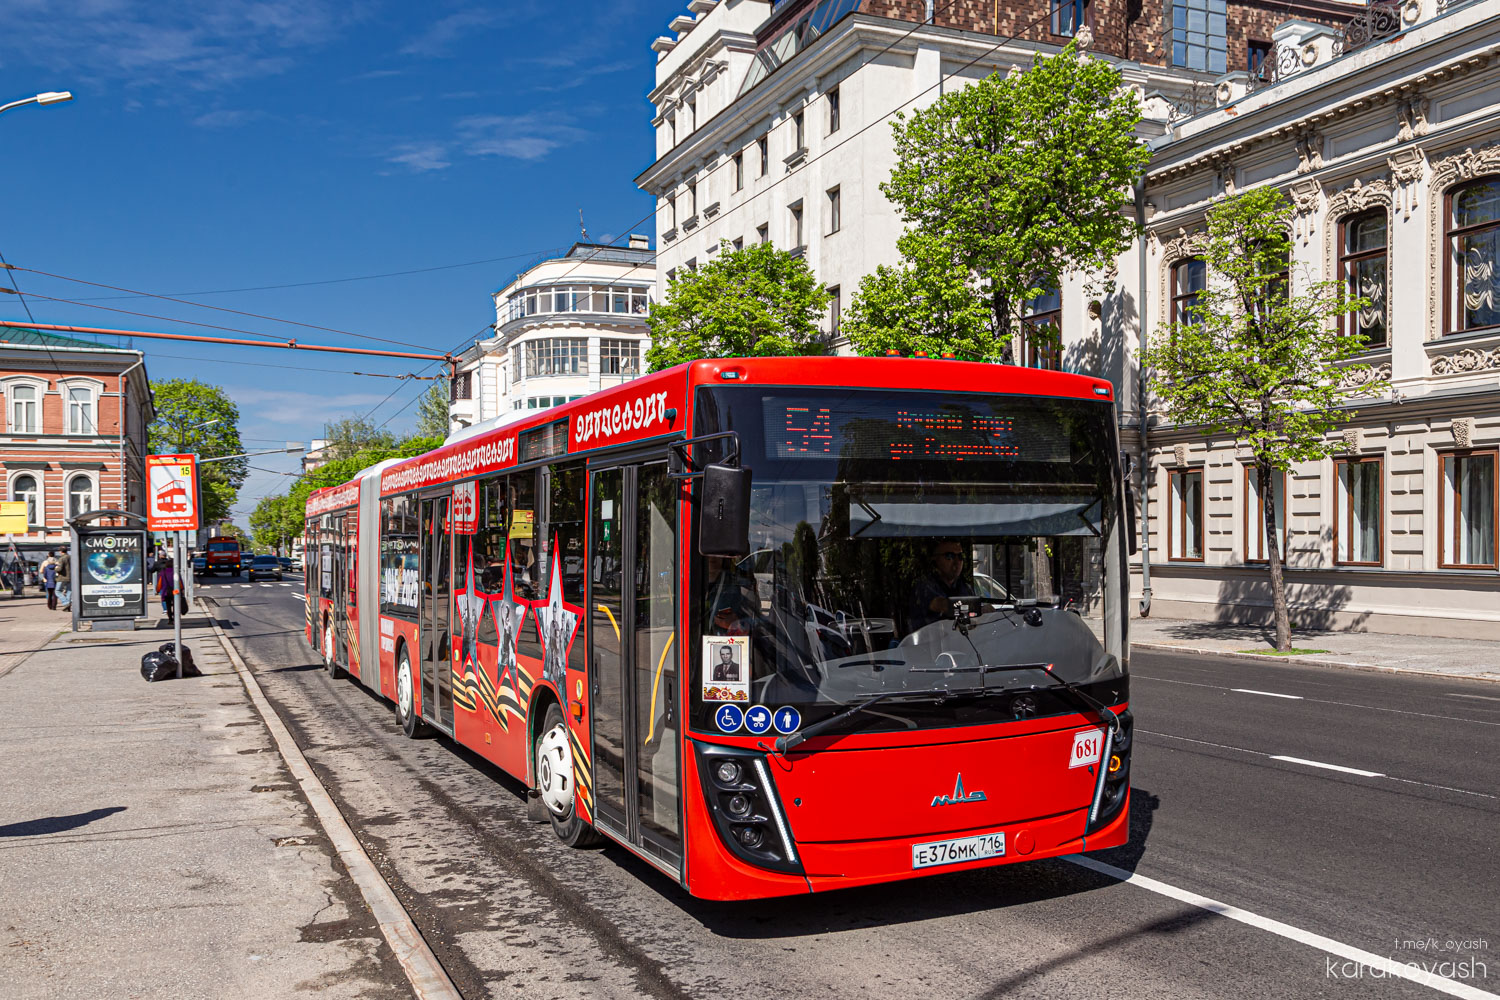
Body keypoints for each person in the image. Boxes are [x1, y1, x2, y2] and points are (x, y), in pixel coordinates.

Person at [907, 539, 976, 632]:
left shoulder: (966, 588)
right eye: (949, 556)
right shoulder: (924, 586)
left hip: (958, 643)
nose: (957, 562)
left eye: (960, 556)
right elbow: (941, 605)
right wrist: (976, 607)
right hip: (926, 643)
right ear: (935, 560)